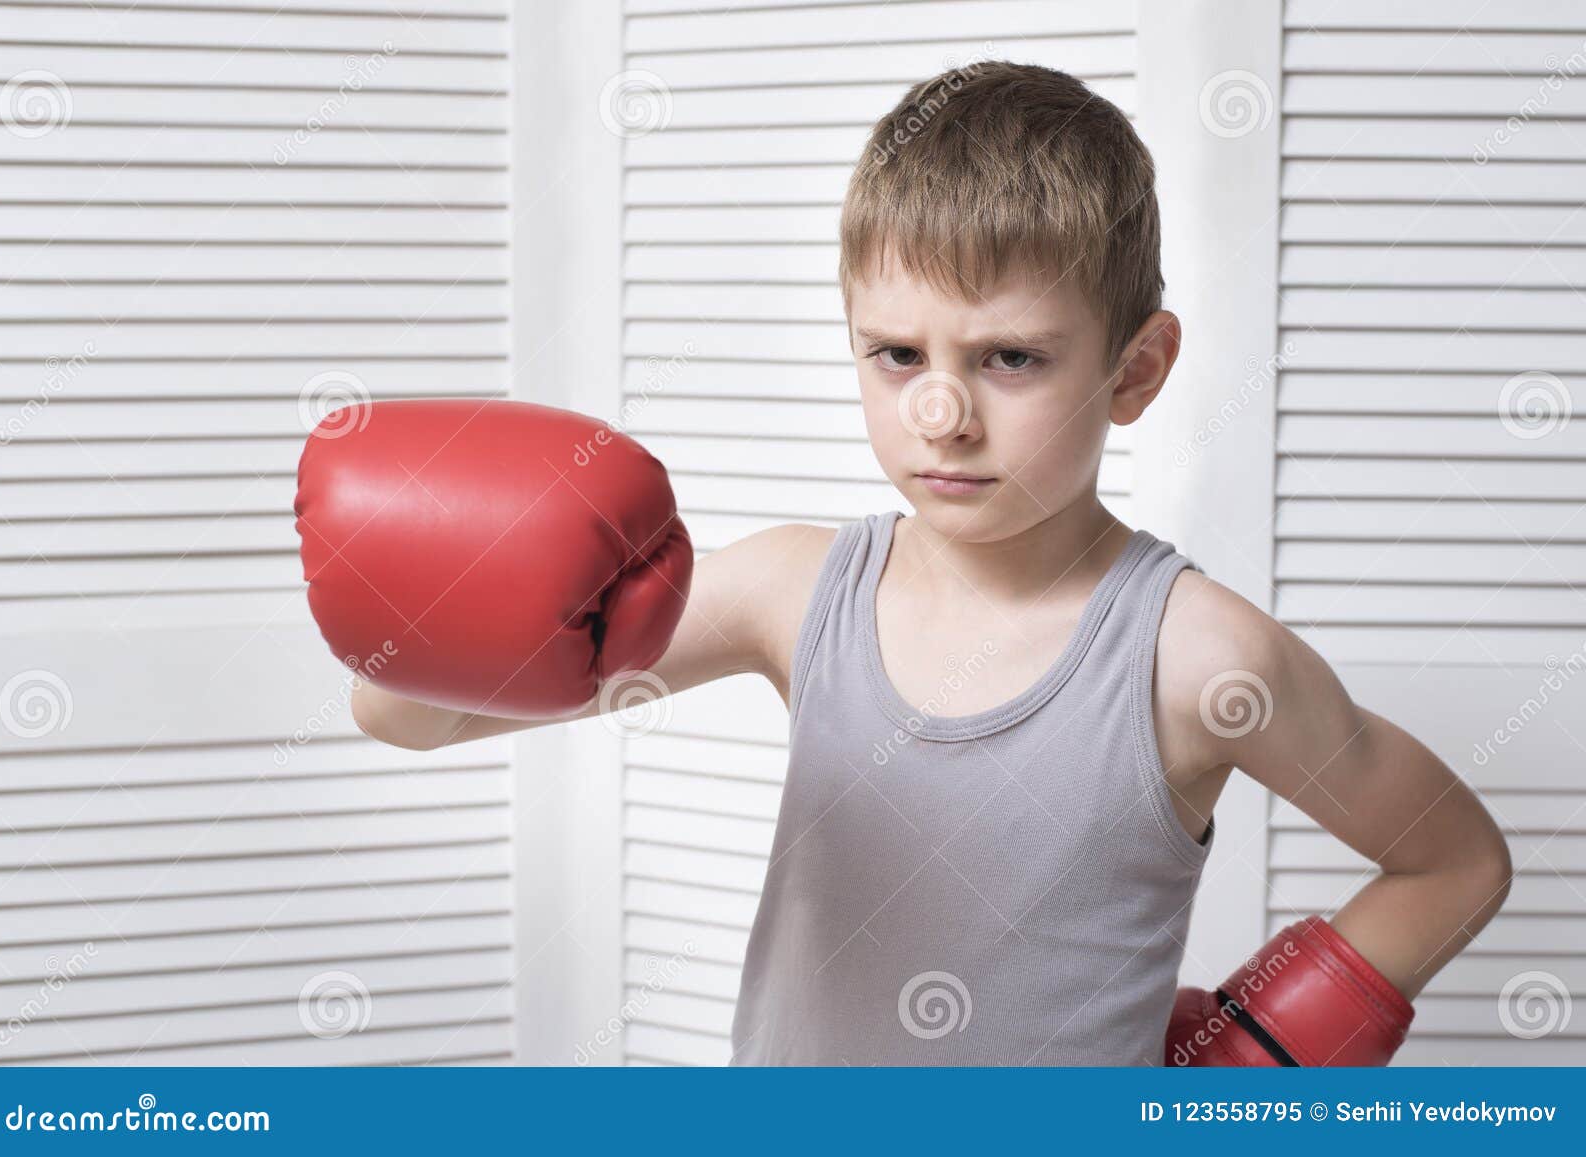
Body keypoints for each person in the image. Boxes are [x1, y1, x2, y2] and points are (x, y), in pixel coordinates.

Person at [306, 62, 1512, 1066]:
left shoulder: (1199, 658)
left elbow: (1451, 858)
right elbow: (405, 716)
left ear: (1135, 370)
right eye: (893, 352)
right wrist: (462, 584)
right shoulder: (795, 591)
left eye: (1010, 359)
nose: (940, 412)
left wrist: (1266, 1051)